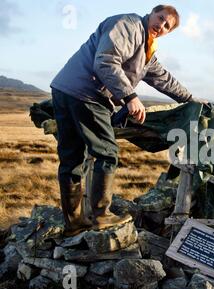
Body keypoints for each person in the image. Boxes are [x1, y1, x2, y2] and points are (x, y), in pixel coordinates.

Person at [50, 5, 198, 236]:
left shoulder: (146, 50)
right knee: (107, 153)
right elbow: (106, 61)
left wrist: (191, 99)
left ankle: (74, 224)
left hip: (66, 89)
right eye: (160, 18)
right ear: (152, 13)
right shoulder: (128, 25)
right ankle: (101, 215)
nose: (161, 25)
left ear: (169, 32)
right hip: (86, 94)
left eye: (167, 26)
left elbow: (164, 80)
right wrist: (130, 97)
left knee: (71, 158)